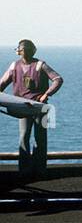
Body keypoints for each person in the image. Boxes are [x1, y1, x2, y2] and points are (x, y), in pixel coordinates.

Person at [0, 40, 63, 178]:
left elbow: (58, 79)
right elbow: (2, 83)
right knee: (25, 137)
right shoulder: (14, 66)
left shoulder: (40, 65)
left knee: (38, 138)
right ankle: (26, 169)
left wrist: (46, 94)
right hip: (22, 106)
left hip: (39, 107)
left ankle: (38, 169)